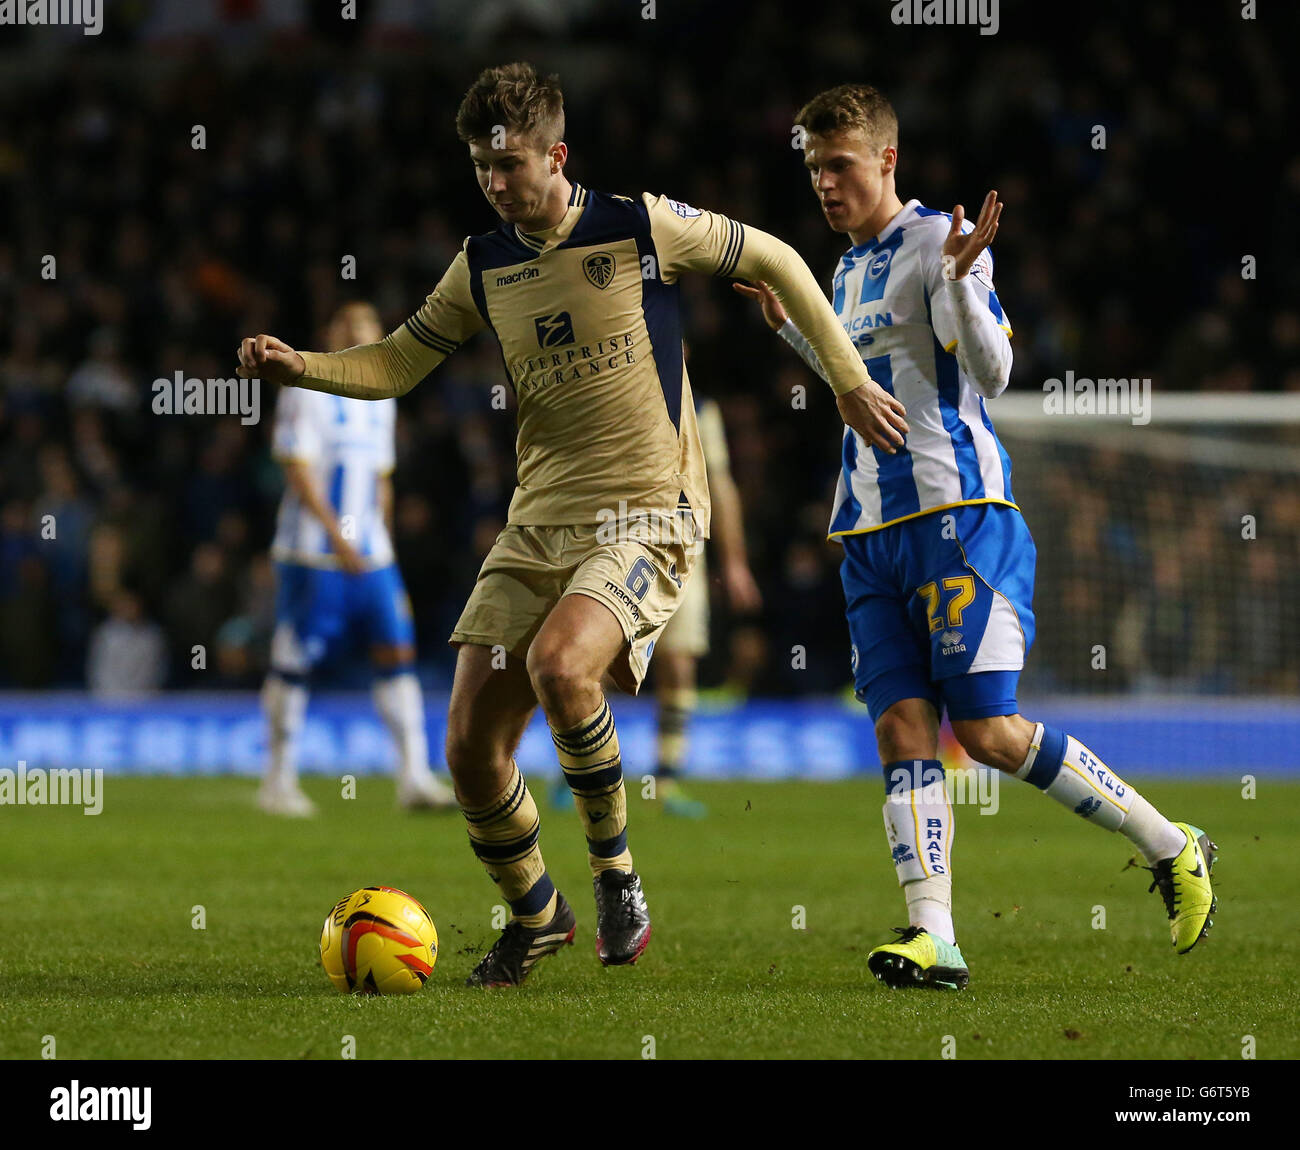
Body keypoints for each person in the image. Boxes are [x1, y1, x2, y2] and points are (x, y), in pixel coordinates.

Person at [237, 62, 906, 987]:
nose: (495, 184)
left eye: (509, 165)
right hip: (538, 519)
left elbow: (778, 260)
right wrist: (301, 366)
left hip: (646, 512)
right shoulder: (482, 264)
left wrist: (848, 380)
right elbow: (395, 365)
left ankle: (615, 876)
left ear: (557, 153)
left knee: (562, 665)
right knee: (469, 747)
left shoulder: (639, 227)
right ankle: (536, 915)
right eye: (479, 168)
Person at [738, 83, 1216, 990]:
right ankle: (935, 937)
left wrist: (961, 284)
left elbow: (992, 375)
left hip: (959, 520)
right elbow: (864, 381)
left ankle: (1171, 843)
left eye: (839, 165)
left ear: (886, 158)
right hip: (871, 531)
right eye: (812, 170)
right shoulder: (838, 273)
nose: (825, 185)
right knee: (899, 728)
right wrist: (794, 335)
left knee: (988, 733)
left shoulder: (938, 243)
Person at [259, 301, 457, 817]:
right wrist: (337, 536)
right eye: (347, 325)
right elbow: (298, 470)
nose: (358, 333)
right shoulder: (304, 389)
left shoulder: (381, 395)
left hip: (372, 554)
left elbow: (380, 477)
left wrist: (379, 537)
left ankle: (414, 777)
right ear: (329, 333)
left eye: (367, 327)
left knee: (397, 654)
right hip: (312, 552)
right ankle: (277, 781)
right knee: (296, 659)